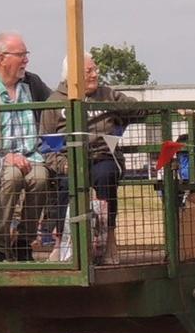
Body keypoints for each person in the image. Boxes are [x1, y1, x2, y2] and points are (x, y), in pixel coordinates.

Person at [40, 54, 147, 261]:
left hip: (103, 156)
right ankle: (60, 243)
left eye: (95, 69)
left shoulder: (107, 94)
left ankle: (109, 240)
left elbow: (139, 111)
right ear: (72, 75)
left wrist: (121, 109)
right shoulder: (54, 102)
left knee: (106, 175)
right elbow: (45, 144)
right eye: (89, 71)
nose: (95, 74)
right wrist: (63, 165)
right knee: (65, 183)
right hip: (68, 161)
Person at [0, 32, 51, 259]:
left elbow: (56, 107)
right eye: (21, 55)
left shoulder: (33, 84)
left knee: (41, 177)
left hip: (33, 156)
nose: (26, 60)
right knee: (12, 176)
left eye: (26, 54)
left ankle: (24, 242)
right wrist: (6, 156)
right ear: (2, 58)